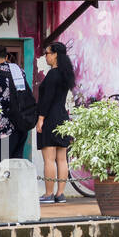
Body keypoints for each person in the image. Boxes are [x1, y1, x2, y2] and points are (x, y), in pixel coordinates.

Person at [37, 42, 75, 204]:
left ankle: (48, 194)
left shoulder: (52, 74)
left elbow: (46, 99)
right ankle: (60, 194)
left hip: (50, 118)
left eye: (47, 53)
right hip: (62, 117)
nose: (46, 56)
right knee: (62, 159)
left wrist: (40, 119)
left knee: (49, 159)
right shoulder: (65, 74)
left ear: (55, 55)